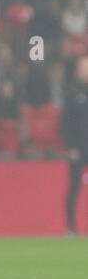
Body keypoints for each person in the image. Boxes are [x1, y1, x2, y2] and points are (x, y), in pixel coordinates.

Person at [59, 55, 88, 233]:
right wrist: (71, 147)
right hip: (78, 149)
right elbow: (64, 125)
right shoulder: (72, 94)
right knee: (74, 187)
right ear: (78, 71)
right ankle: (71, 227)